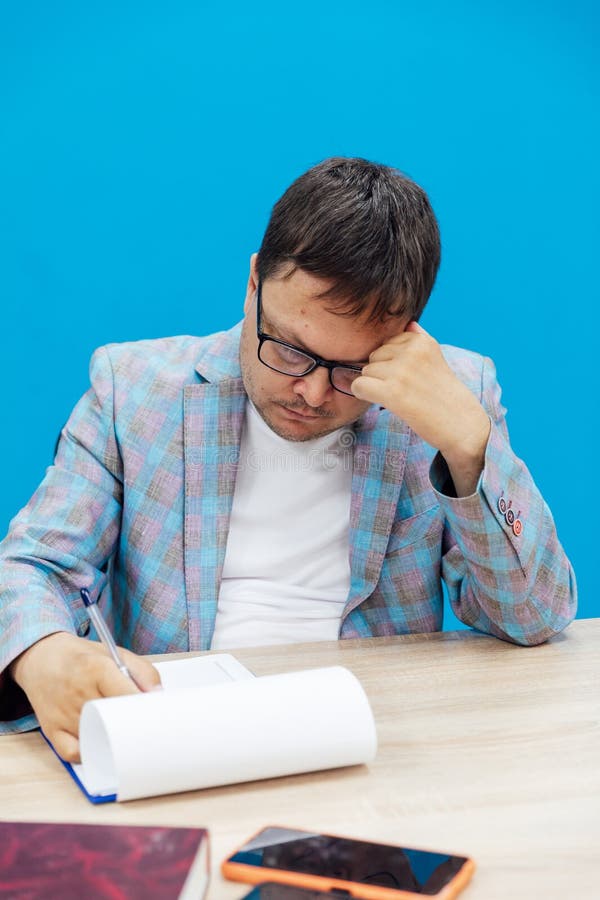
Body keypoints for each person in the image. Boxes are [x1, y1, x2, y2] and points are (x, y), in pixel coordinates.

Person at [0, 157, 576, 761]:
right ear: (253, 284)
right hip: (180, 737)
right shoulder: (134, 389)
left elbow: (533, 617)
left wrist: (467, 445)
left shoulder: (454, 397)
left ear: (408, 334)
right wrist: (40, 651)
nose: (313, 391)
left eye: (353, 367)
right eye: (291, 350)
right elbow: (35, 565)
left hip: (374, 738)